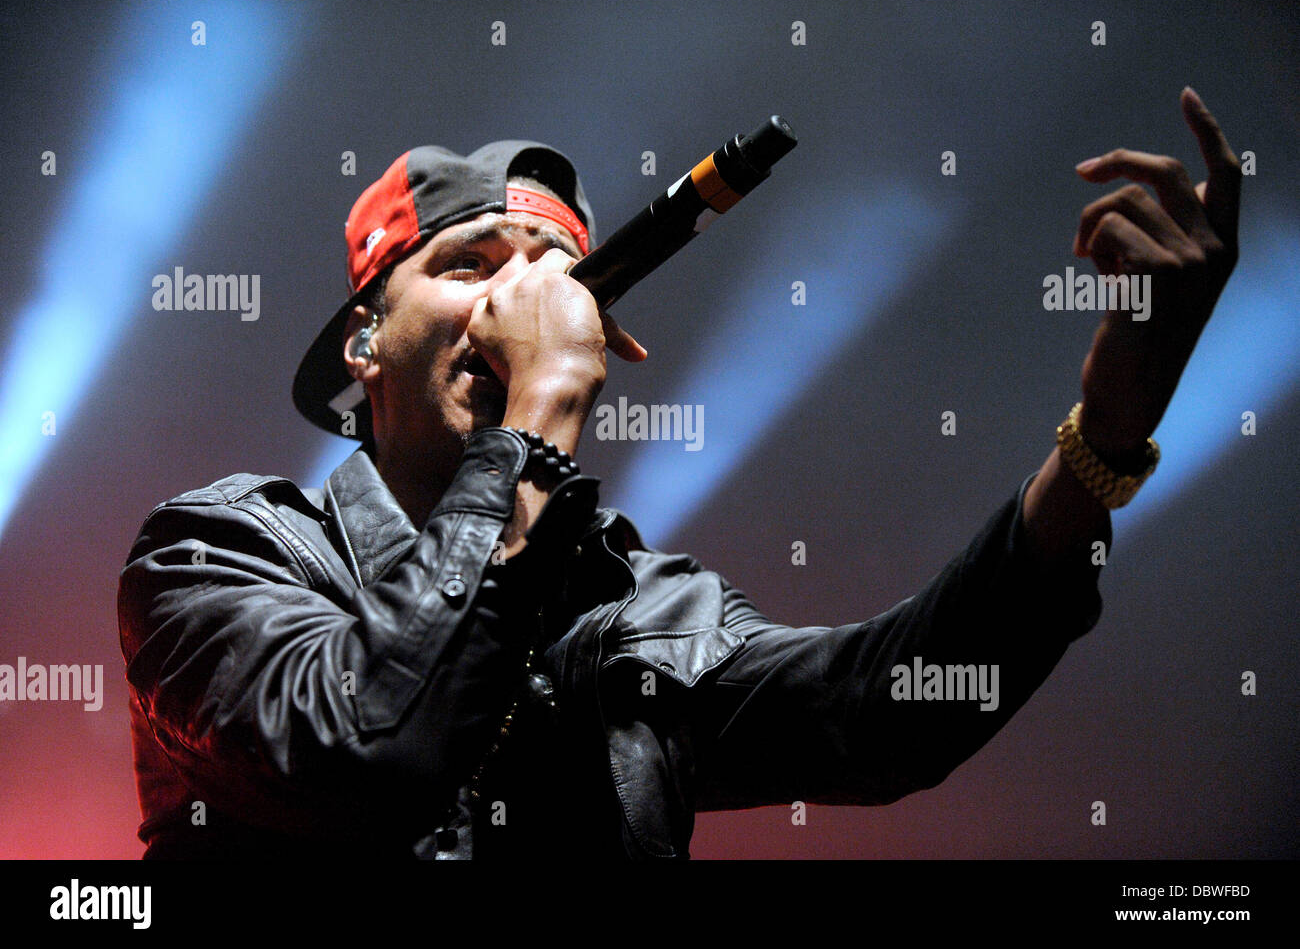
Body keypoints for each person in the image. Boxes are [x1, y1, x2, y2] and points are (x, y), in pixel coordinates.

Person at [117, 88, 1241, 859]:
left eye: (554, 279)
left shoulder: (632, 608)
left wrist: (1107, 428)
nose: (521, 302)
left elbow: (892, 711)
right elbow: (370, 746)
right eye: (468, 266)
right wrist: (539, 409)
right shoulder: (221, 550)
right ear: (365, 340)